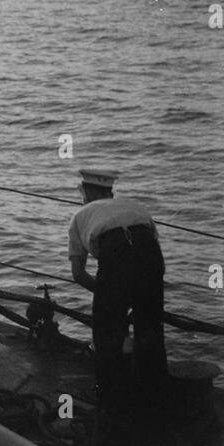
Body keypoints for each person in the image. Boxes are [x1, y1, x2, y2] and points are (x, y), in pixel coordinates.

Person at [67, 169, 168, 413]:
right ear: (110, 193)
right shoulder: (136, 207)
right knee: (150, 328)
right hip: (149, 255)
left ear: (87, 193)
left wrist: (108, 296)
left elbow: (78, 274)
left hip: (114, 254)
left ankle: (113, 400)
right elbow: (159, 263)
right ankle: (156, 396)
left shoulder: (80, 216)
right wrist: (137, 296)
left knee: (108, 331)